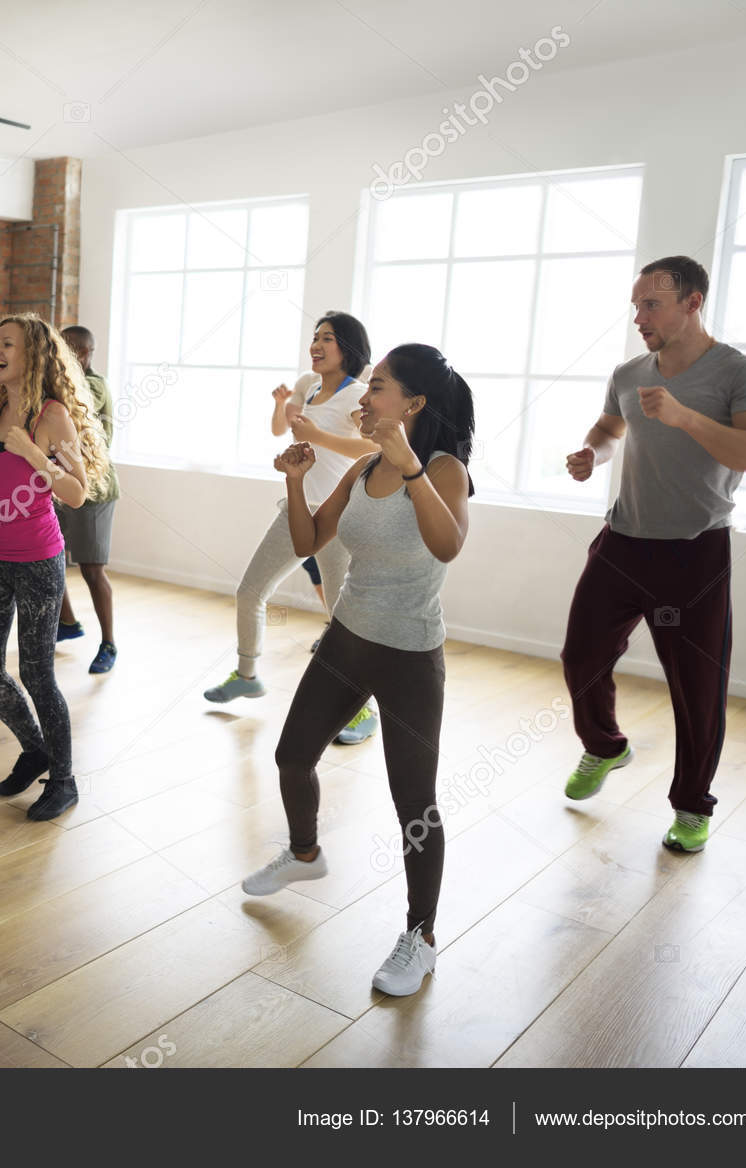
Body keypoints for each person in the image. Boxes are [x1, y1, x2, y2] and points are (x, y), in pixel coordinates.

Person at [241, 344, 474, 998]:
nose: (366, 398)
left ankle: (420, 937)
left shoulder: (445, 469)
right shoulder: (363, 467)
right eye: (369, 386)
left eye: (378, 387)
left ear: (415, 403)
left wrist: (411, 469)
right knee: (291, 755)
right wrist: (293, 480)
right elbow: (311, 540)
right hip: (348, 636)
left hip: (410, 653)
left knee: (414, 806)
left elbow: (448, 544)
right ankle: (306, 853)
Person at [560, 256, 746, 852]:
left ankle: (692, 806)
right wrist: (591, 456)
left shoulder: (742, 374)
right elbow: (609, 431)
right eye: (635, 305)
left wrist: (685, 417)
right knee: (580, 656)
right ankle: (606, 746)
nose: (639, 317)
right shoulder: (629, 373)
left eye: (651, 304)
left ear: (693, 302)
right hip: (622, 541)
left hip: (694, 554)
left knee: (695, 688)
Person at [0, 313, 111, 821]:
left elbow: (78, 493)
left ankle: (63, 782)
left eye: (7, 345)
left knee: (37, 674)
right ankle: (34, 747)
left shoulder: (52, 416)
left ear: (33, 355)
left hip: (39, 560)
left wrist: (36, 454)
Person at [204, 312, 382, 746]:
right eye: (315, 337)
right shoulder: (312, 388)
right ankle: (246, 674)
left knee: (342, 618)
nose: (317, 344)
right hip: (298, 508)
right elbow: (286, 427)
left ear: (350, 348)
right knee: (250, 591)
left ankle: (364, 708)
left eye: (329, 338)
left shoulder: (359, 394)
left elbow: (374, 446)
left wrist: (318, 437)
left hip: (338, 515)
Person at [54, 325, 121, 674]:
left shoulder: (92, 387)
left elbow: (68, 407)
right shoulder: (62, 386)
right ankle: (66, 622)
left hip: (95, 491)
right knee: (50, 558)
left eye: (60, 350)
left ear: (80, 354)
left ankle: (108, 643)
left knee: (93, 571)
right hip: (63, 486)